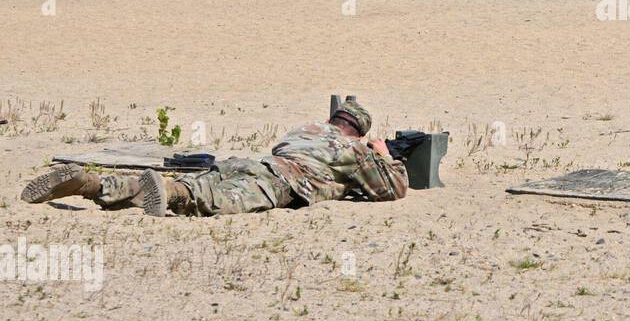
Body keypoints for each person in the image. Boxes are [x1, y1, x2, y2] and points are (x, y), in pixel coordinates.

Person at [20, 100, 407, 217]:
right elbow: (390, 190)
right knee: (214, 200)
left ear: (331, 120)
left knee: (199, 181)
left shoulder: (304, 129)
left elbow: (279, 153)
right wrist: (386, 157)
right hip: (281, 181)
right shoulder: (350, 148)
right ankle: (171, 195)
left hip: (252, 163)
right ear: (358, 131)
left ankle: (92, 183)